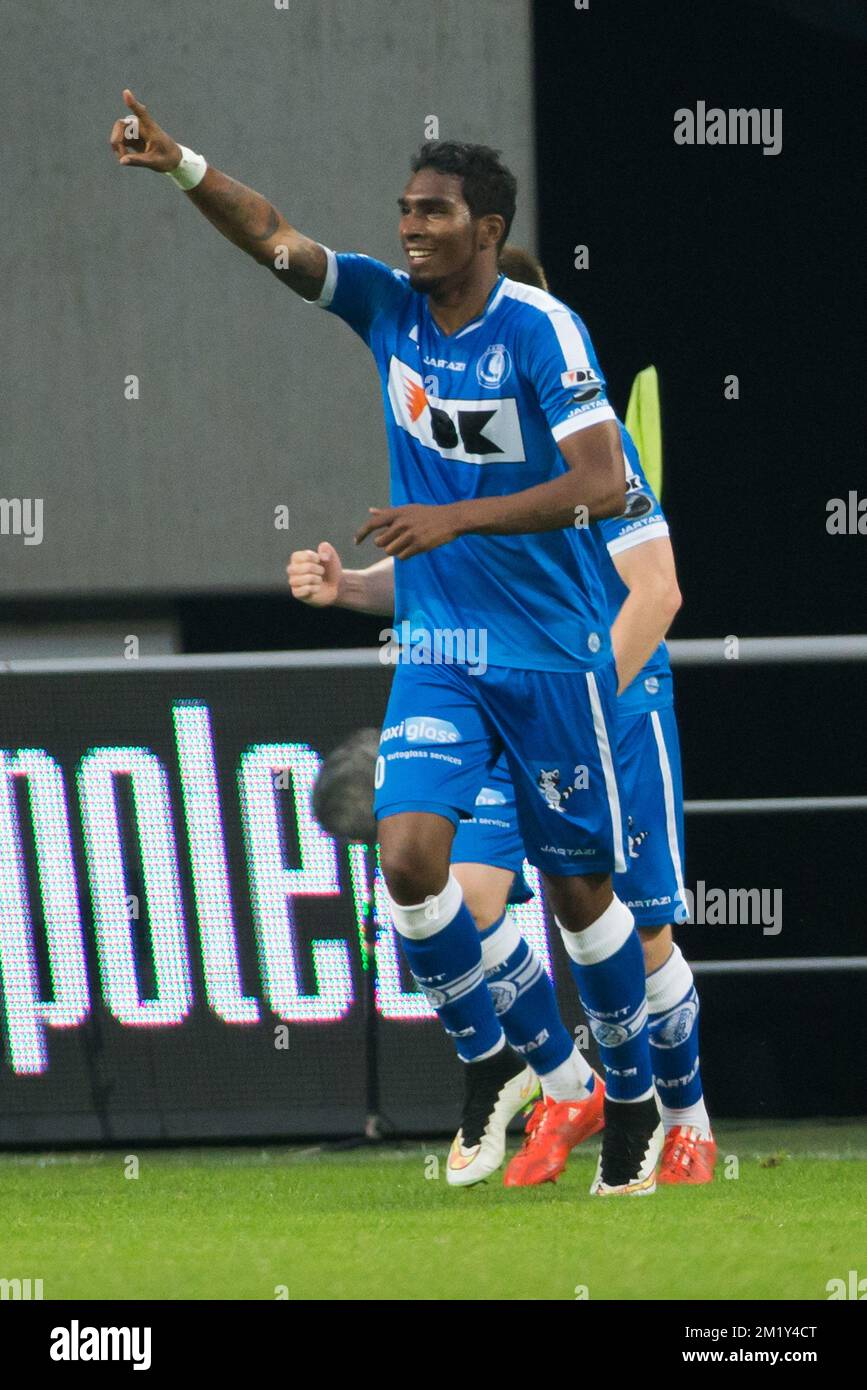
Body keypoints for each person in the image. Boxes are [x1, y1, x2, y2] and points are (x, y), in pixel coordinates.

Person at [110, 96, 660, 1194]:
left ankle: (633, 1098)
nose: (412, 228)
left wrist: (453, 517)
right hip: (442, 644)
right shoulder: (385, 308)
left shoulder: (540, 330)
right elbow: (274, 237)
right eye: (405, 209)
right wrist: (181, 166)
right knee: (408, 860)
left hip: (551, 647)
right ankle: (494, 1060)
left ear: (489, 229)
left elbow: (601, 482)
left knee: (582, 893)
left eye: (436, 213)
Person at [288, 247, 715, 1187]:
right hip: (491, 689)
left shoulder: (595, 453)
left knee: (636, 931)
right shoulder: (462, 449)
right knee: (466, 896)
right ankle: (564, 1085)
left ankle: (686, 1119)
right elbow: (452, 585)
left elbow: (658, 591)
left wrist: (579, 704)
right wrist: (352, 587)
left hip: (606, 698)